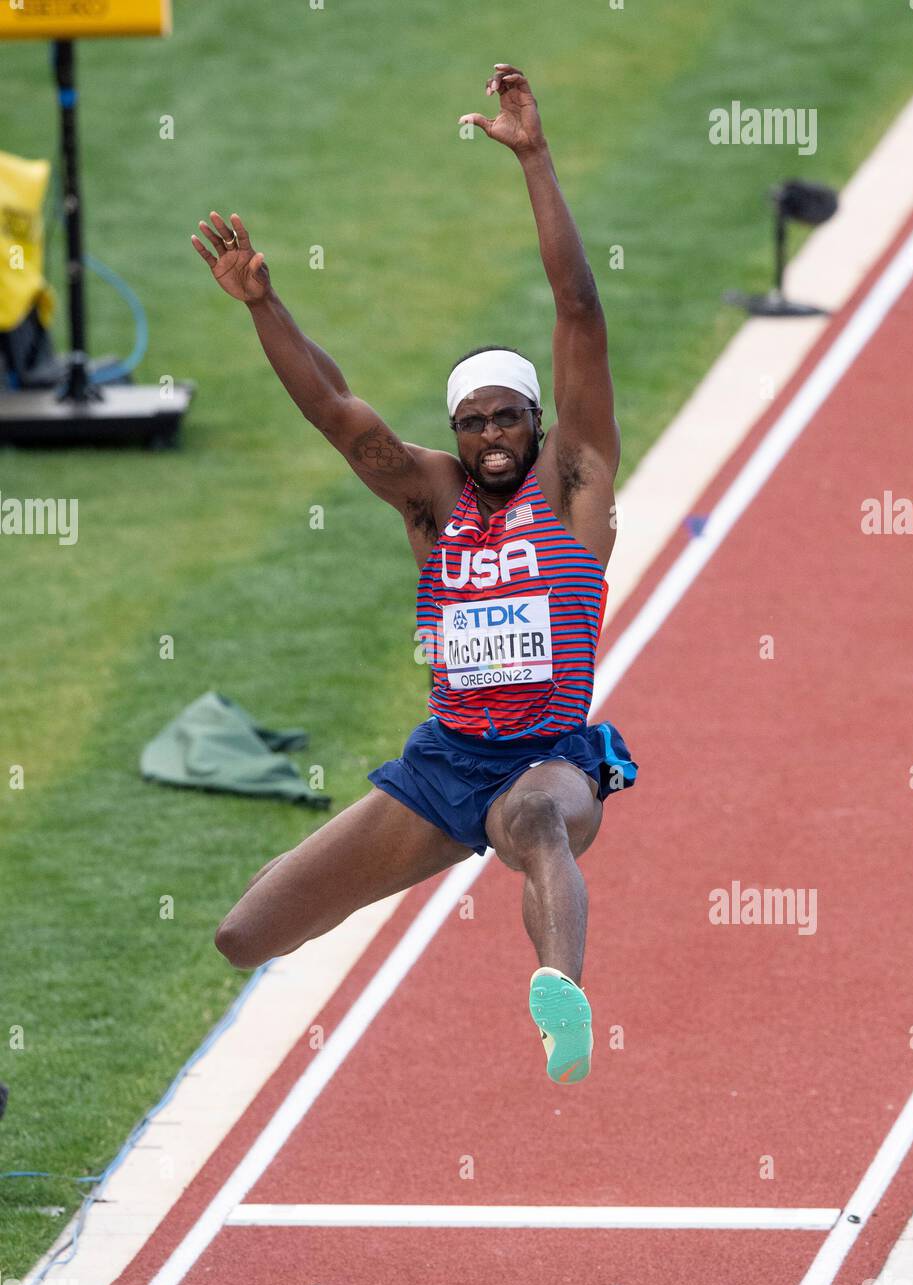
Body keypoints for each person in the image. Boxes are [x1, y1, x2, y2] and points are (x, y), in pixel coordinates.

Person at [192, 63, 637, 1085]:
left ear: (536, 421)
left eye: (507, 416)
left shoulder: (574, 480)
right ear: (457, 433)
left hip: (550, 756)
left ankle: (560, 993)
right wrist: (265, 305)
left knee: (532, 824)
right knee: (245, 934)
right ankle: (312, 900)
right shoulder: (431, 502)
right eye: (473, 420)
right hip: (444, 760)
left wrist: (534, 158)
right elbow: (338, 413)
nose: (490, 434)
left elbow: (577, 308)